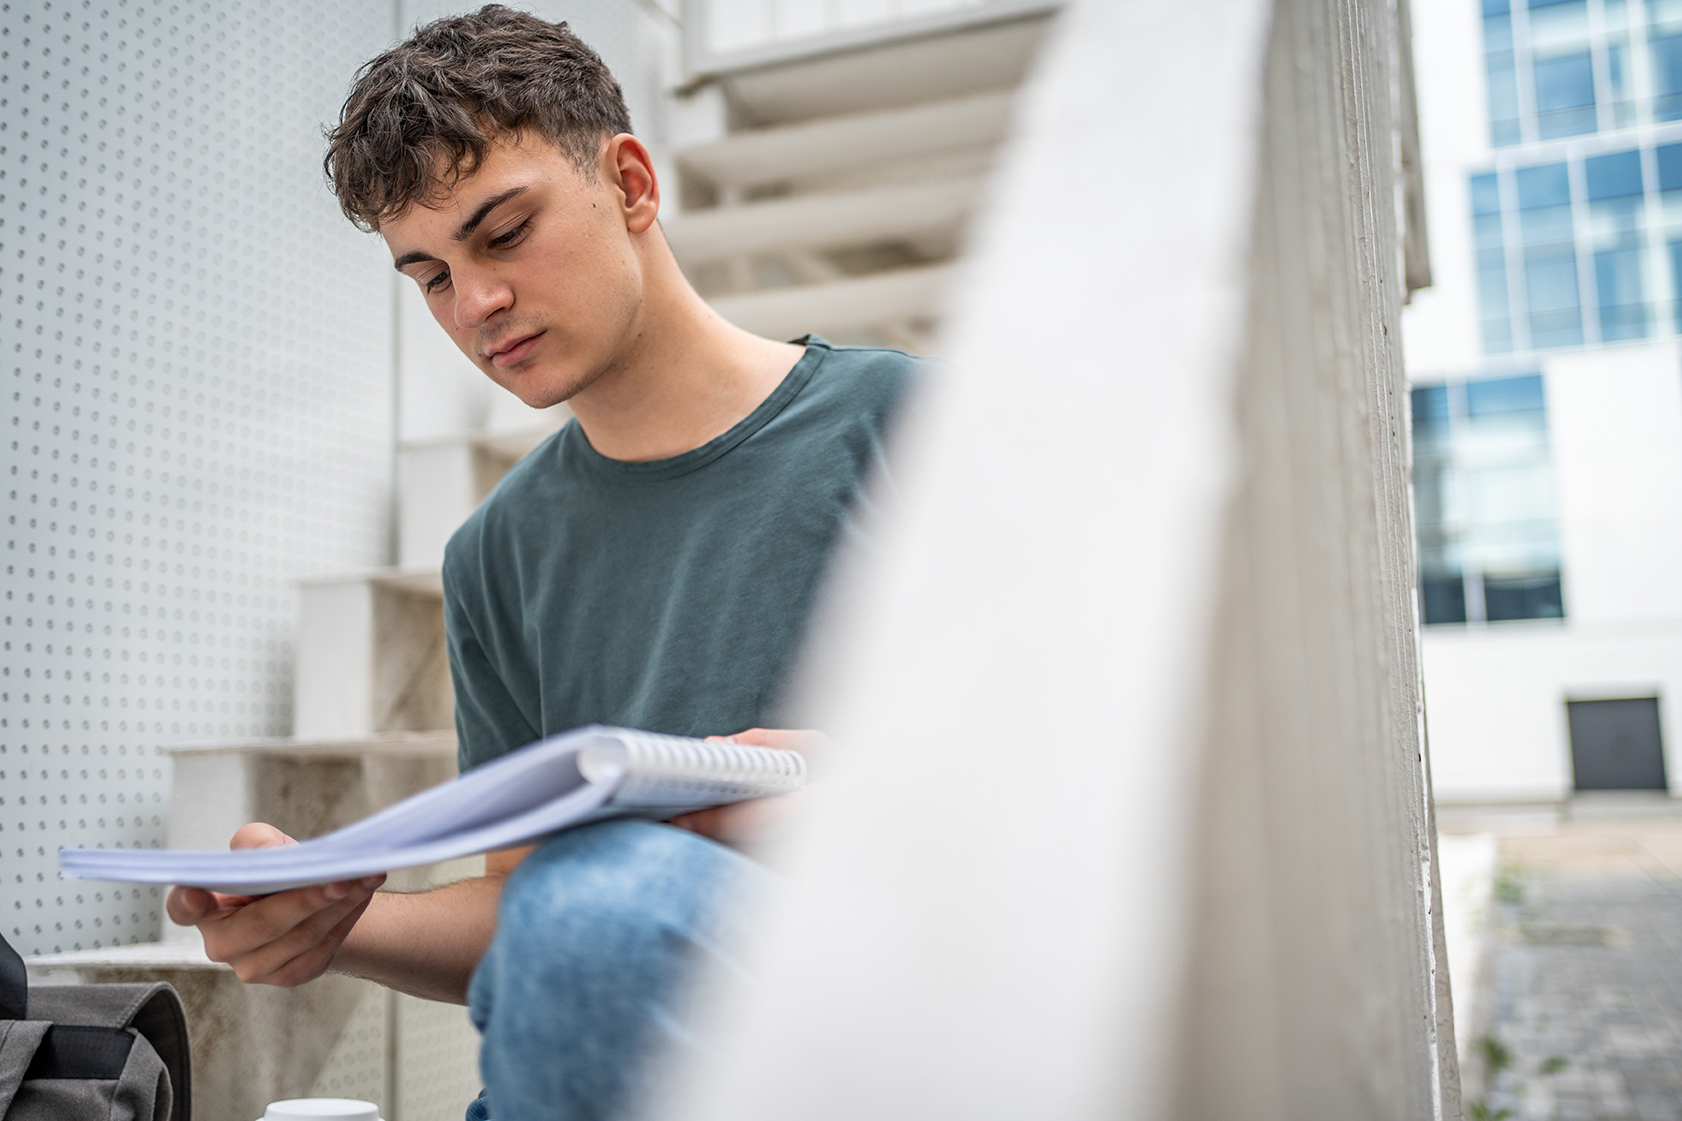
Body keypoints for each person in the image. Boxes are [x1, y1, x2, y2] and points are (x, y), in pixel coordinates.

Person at [163, 7, 922, 1120]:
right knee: (582, 911)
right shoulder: (494, 554)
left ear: (629, 183)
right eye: (428, 275)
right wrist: (333, 916)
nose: (474, 306)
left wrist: (862, 782)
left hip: (860, 1038)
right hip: (596, 1061)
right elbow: (527, 911)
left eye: (503, 233)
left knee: (605, 907)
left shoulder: (911, 428)